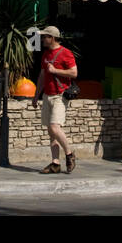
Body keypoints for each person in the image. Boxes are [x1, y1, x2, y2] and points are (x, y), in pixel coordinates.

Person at [34, 25, 78, 174]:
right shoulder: (46, 54)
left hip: (60, 95)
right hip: (47, 95)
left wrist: (55, 70)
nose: (42, 39)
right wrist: (36, 95)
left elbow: (74, 73)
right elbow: (42, 75)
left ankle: (69, 154)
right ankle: (55, 163)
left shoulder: (66, 53)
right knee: (51, 132)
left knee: (54, 127)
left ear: (52, 38)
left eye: (44, 36)